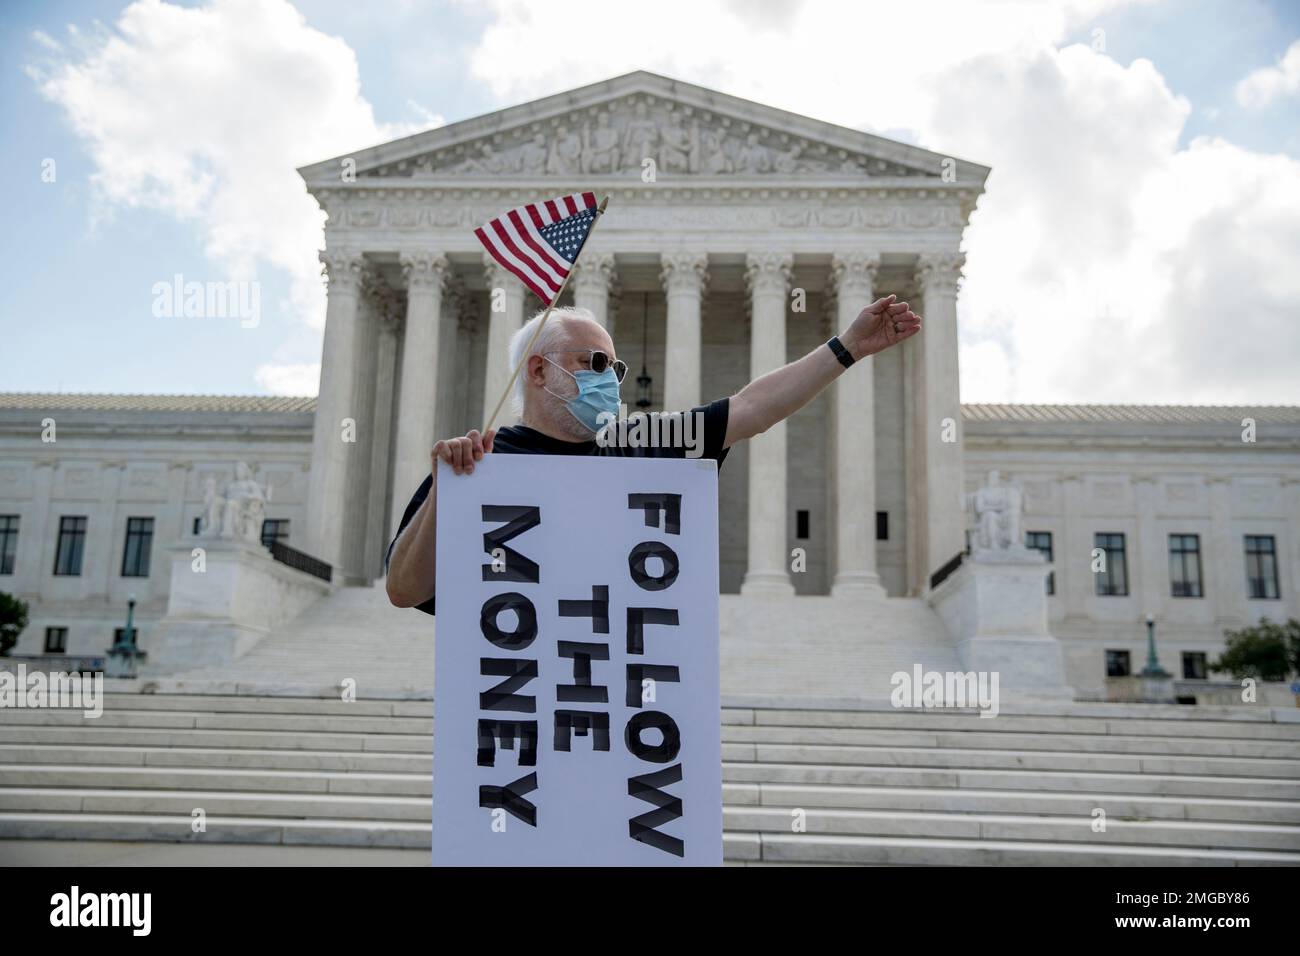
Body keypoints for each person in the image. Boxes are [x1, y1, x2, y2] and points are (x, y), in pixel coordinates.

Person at [385, 294, 921, 613]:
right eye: (594, 362)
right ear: (539, 370)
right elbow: (405, 591)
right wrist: (445, 490)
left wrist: (846, 347)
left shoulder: (639, 443)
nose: (610, 380)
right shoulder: (481, 463)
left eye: (614, 369)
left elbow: (751, 408)